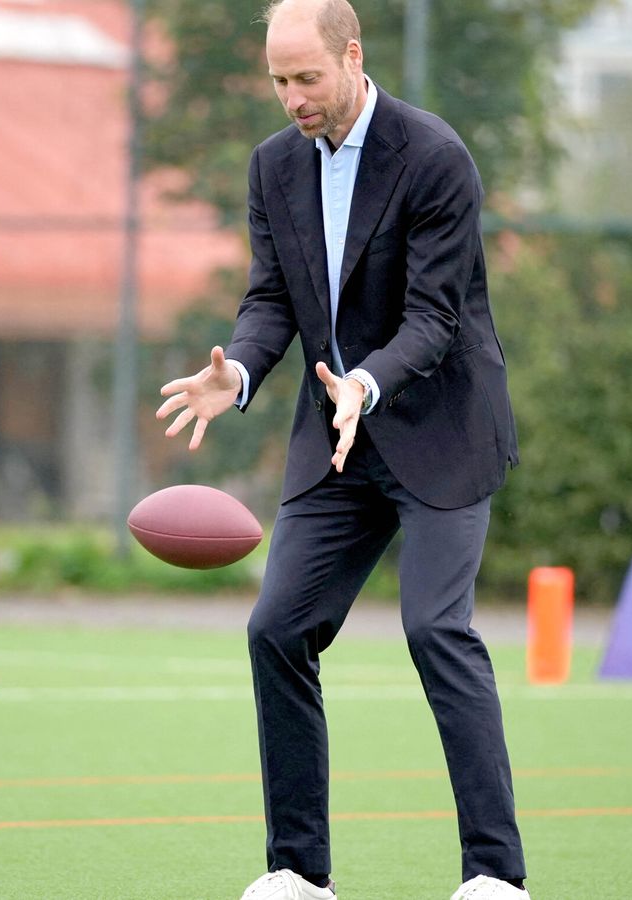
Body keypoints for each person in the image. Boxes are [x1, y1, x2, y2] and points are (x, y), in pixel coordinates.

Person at [155, 2, 527, 898]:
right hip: (336, 444)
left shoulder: (434, 156)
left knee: (436, 628)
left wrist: (362, 383)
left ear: (352, 57)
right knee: (277, 631)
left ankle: (496, 878)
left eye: (307, 78)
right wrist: (236, 376)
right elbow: (271, 302)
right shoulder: (272, 168)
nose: (293, 99)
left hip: (440, 429)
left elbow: (436, 319)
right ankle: (298, 874)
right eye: (279, 82)